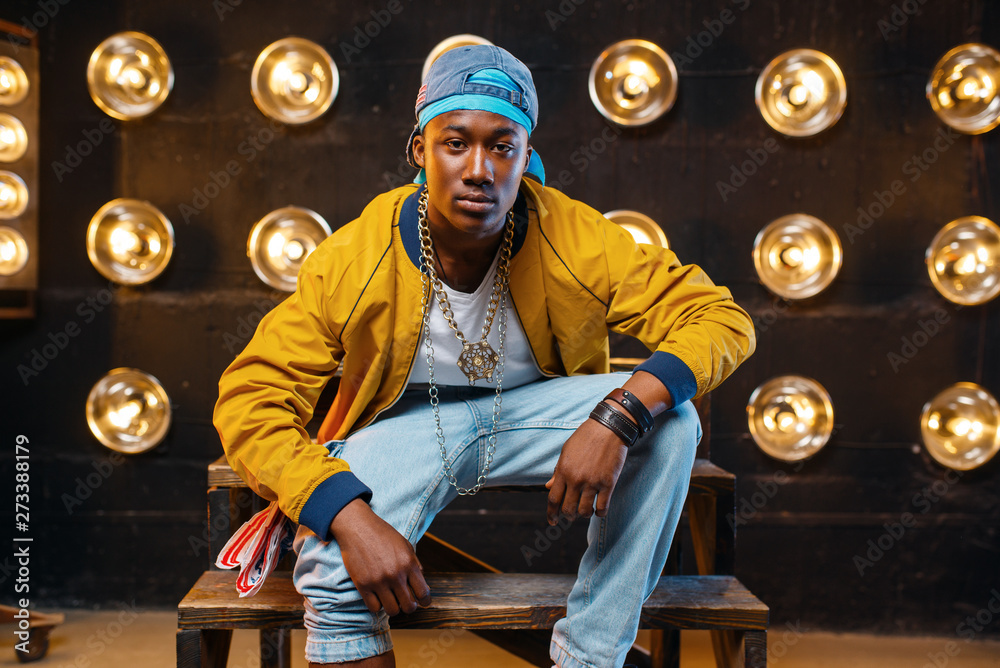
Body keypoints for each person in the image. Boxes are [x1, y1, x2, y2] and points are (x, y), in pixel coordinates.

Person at [214, 44, 755, 668]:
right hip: (403, 435)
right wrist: (345, 515)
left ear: (526, 158)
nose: (479, 170)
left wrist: (617, 417)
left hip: (532, 422)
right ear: (419, 150)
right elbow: (249, 401)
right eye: (455, 143)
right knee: (335, 572)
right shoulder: (354, 260)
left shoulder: (574, 237)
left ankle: (589, 657)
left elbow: (720, 319)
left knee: (670, 421)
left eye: (502, 147)